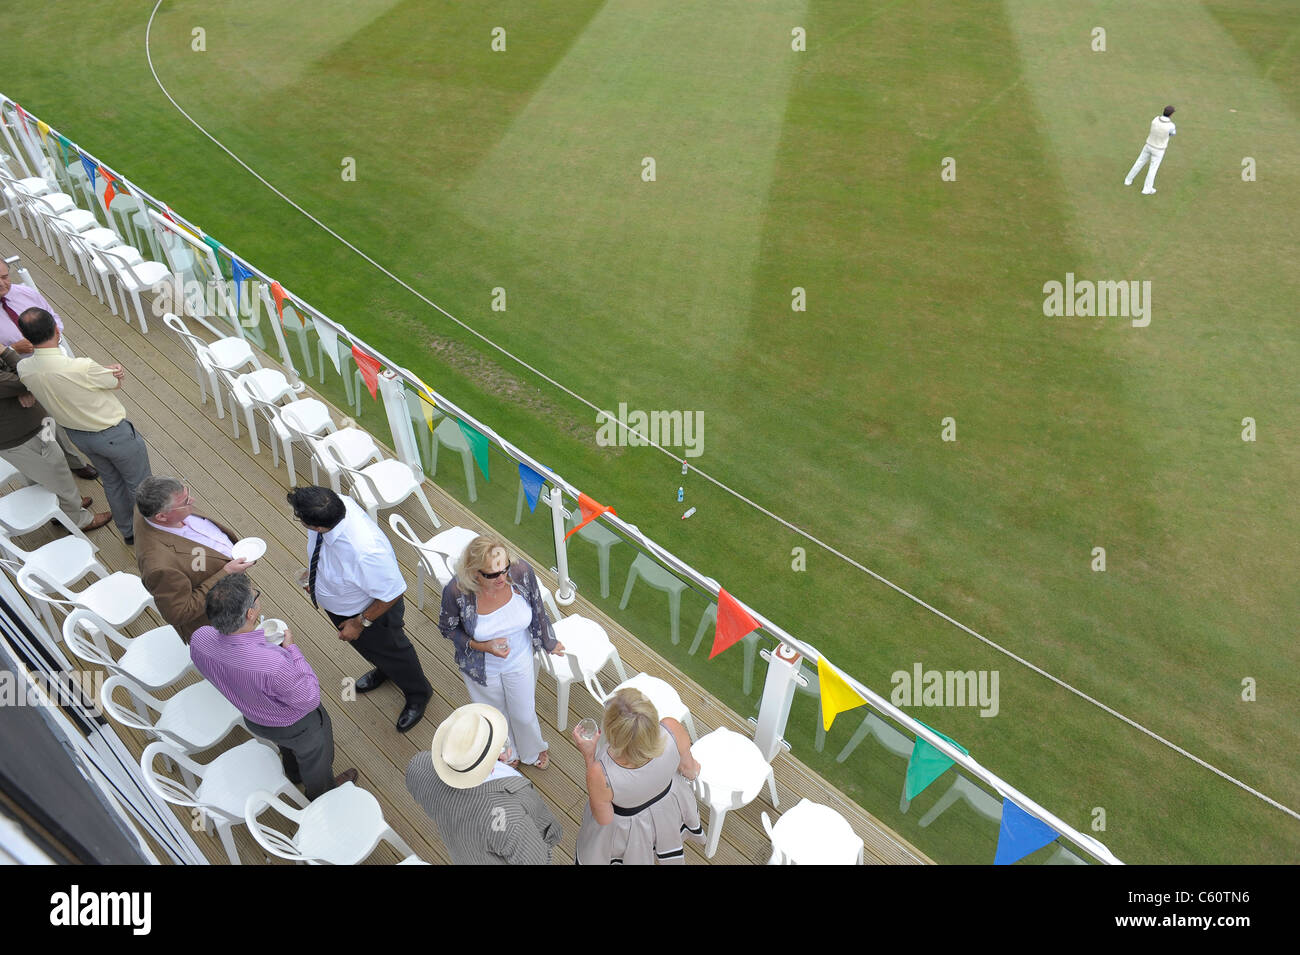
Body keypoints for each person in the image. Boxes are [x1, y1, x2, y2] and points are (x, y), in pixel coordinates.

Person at [191, 574, 357, 799]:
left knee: (288, 746)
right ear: (251, 613)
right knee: (316, 757)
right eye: (255, 594)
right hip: (298, 724)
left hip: (256, 719)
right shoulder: (273, 664)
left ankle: (294, 772)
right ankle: (321, 795)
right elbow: (309, 697)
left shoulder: (200, 639)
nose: (257, 594)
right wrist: (291, 650)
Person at [286, 485, 431, 733]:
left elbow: (393, 592)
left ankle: (419, 693)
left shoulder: (365, 550)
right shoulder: (332, 506)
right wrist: (317, 581)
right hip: (345, 606)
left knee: (395, 650)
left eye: (300, 519)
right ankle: (385, 669)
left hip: (370, 615)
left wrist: (359, 622)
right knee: (376, 652)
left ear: (317, 527)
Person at [16, 307, 151, 544]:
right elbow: (113, 382)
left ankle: (129, 532)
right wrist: (114, 371)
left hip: (80, 437)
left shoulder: (24, 368)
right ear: (56, 330)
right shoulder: (81, 366)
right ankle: (154, 534)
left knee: (111, 482)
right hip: (114, 434)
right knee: (141, 485)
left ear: (27, 338)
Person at [438, 535, 564, 769]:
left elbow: (537, 606)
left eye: (504, 569)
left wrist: (549, 641)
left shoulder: (521, 571)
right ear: (474, 572)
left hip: (520, 659)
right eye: (492, 574)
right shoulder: (456, 591)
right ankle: (508, 753)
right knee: (494, 716)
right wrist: (483, 646)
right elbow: (448, 629)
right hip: (481, 667)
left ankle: (531, 751)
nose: (502, 578)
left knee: (524, 714)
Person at [406, 703, 563, 865]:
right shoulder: (512, 820)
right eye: (503, 744)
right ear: (502, 756)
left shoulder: (418, 766)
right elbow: (537, 861)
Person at [573, 687, 703, 865]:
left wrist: (589, 755)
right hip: (666, 813)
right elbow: (691, 771)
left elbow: (604, 818)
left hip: (629, 831)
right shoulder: (672, 729)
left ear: (612, 732)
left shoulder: (601, 772)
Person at [0, 261, 100, 480]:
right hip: (23, 375)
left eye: (5, 276)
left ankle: (83, 456)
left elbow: (54, 317)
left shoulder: (24, 293)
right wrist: (13, 349)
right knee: (48, 422)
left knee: (73, 408)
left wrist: (52, 339)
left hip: (54, 362)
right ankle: (70, 463)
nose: (3, 284)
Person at [0, 343, 110, 532]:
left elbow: (22, 379)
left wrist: (24, 389)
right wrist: (6, 352)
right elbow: (29, 377)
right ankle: (79, 519)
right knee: (56, 473)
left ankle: (63, 507)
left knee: (41, 474)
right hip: (22, 436)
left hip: (33, 426)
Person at [134, 476, 254, 641]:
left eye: (187, 493)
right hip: (221, 617)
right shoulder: (160, 567)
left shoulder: (149, 506)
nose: (193, 500)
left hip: (233, 584)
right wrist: (226, 572)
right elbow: (179, 612)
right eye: (185, 501)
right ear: (161, 517)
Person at [1125, 105, 1177, 195]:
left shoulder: (1155, 119)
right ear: (1171, 114)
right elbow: (1172, 134)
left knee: (1139, 162)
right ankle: (1147, 189)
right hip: (1159, 149)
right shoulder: (1171, 125)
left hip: (1148, 145)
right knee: (1153, 169)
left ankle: (1128, 180)